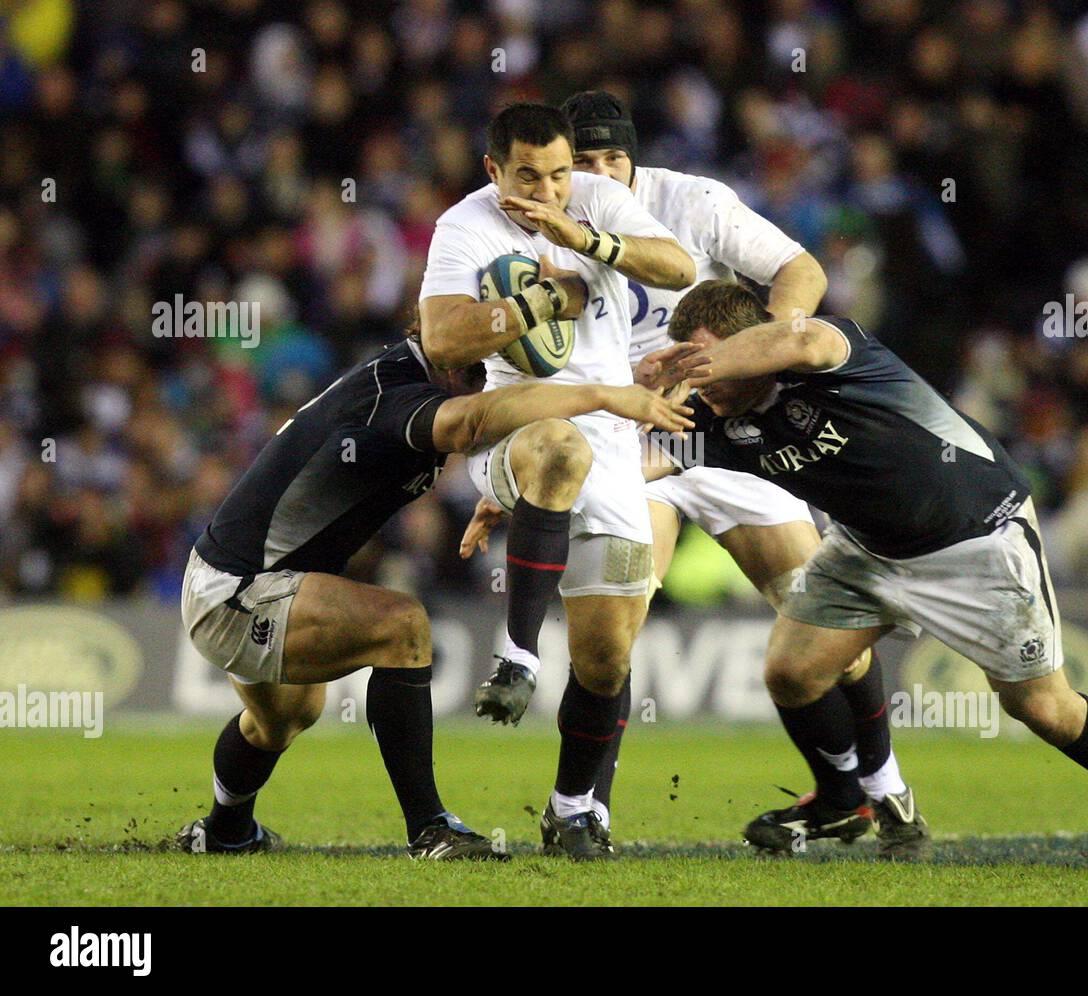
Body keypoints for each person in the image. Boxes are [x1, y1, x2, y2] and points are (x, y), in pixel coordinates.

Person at [465, 91, 930, 858]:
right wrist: (506, 484)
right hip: (621, 436)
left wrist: (750, 359)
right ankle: (580, 808)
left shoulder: (692, 202)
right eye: (581, 165)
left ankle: (878, 790)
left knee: (822, 611)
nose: (596, 175)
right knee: (608, 639)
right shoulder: (532, 227)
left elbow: (800, 271)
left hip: (719, 425)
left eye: (612, 159)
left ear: (634, 160)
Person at [640, 279, 1088, 868]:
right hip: (867, 550)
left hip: (976, 539)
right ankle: (842, 799)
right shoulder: (707, 420)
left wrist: (684, 366)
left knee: (1042, 708)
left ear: (751, 342)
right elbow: (640, 464)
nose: (698, 378)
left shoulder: (836, 355)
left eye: (704, 360)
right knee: (792, 672)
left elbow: (799, 335)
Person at [176, 328, 692, 860]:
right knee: (403, 628)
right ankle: (430, 827)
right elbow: (477, 421)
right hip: (238, 589)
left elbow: (513, 419)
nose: (497, 373)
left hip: (252, 581)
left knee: (282, 717)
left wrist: (633, 382)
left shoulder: (414, 380)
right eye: (490, 362)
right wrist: (607, 393)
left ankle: (224, 830)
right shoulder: (395, 389)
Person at [417, 102, 694, 859]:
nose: (547, 189)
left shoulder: (597, 200)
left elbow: (680, 268)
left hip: (611, 433)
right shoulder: (465, 226)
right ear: (494, 171)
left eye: (560, 173)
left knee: (607, 656)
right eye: (529, 175)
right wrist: (540, 298)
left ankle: (574, 809)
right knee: (558, 449)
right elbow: (442, 338)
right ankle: (521, 653)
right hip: (515, 424)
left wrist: (582, 237)